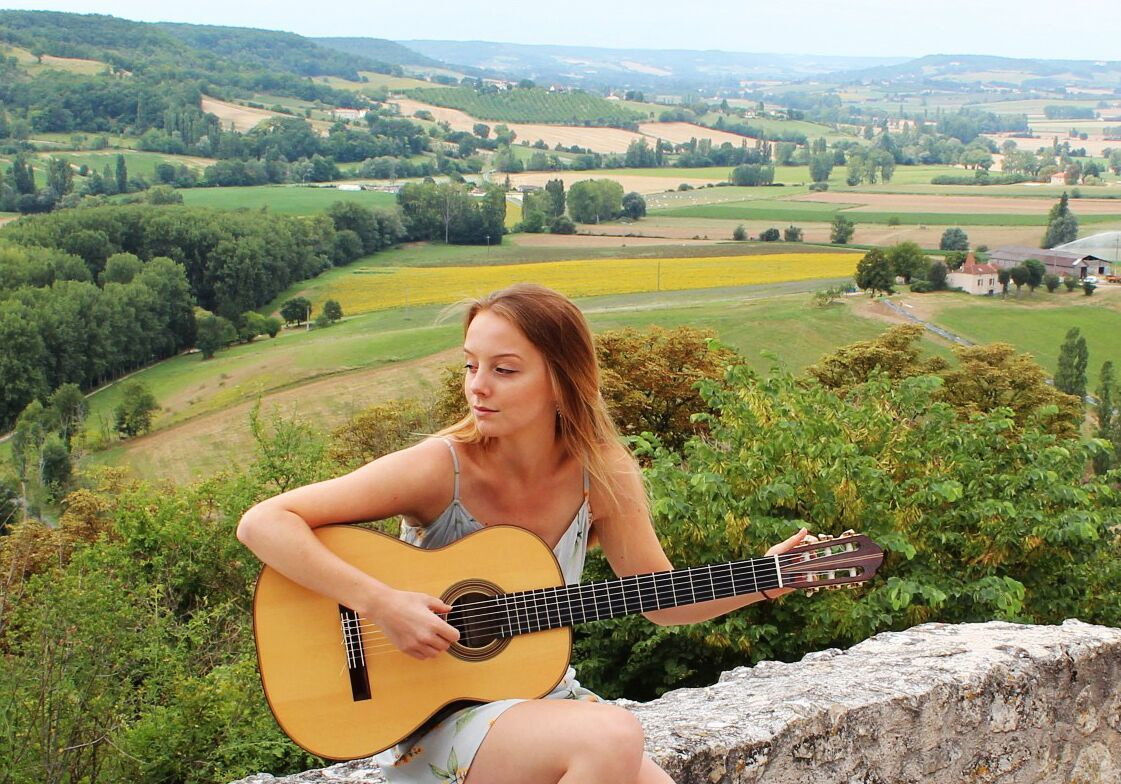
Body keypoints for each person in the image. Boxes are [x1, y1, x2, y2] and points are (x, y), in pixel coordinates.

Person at [237, 283, 811, 784]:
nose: (477, 387)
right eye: (470, 366)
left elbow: (658, 599)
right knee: (612, 735)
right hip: (433, 720)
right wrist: (381, 603)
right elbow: (263, 521)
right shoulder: (440, 467)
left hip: (546, 705)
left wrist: (766, 579)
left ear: (562, 382)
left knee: (610, 740)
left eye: (503, 370)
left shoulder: (602, 474)